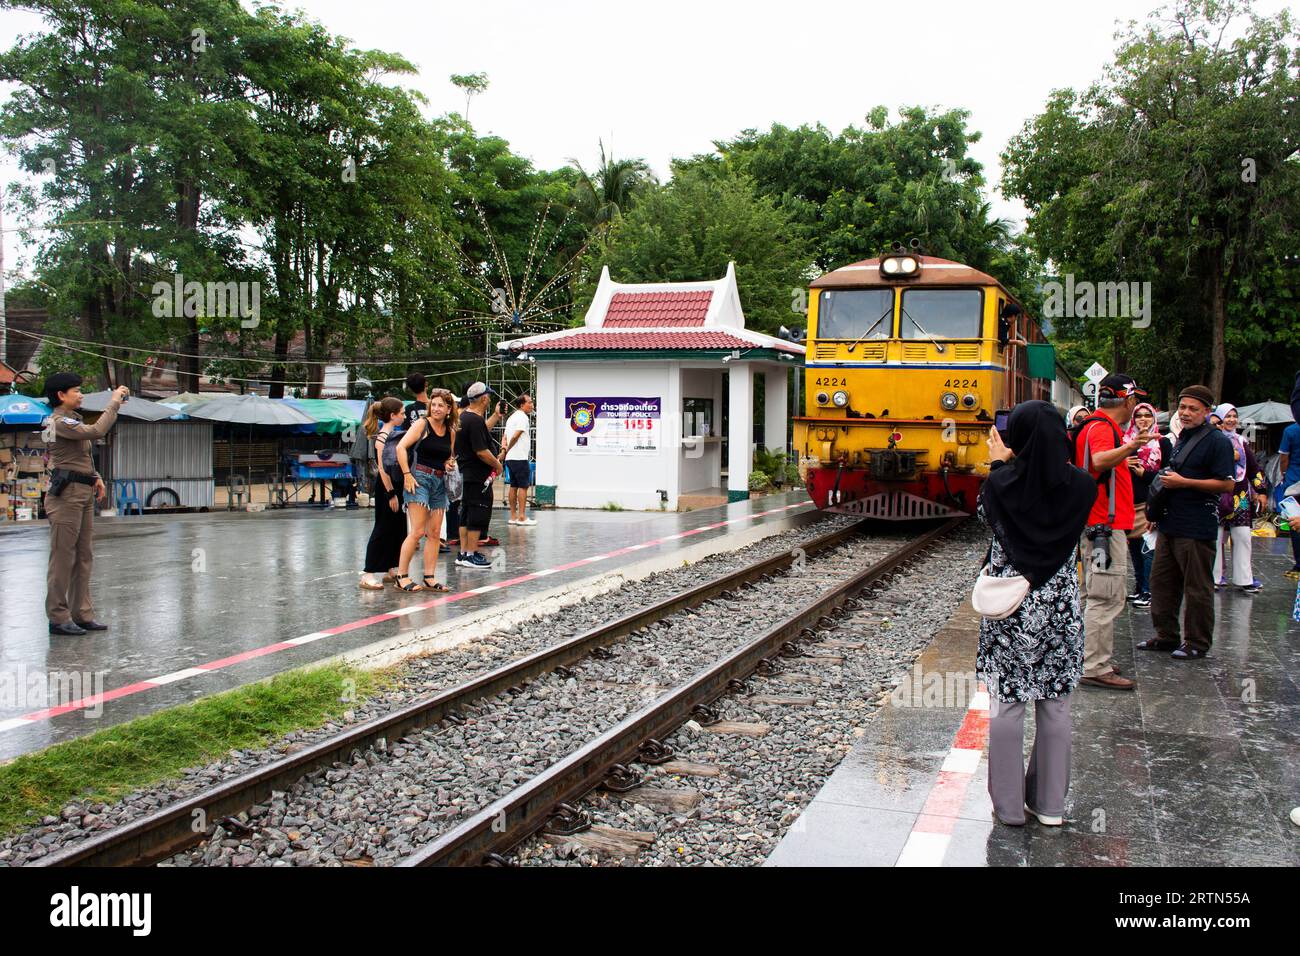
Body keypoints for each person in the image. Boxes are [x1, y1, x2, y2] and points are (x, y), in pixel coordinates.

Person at [979, 401, 1097, 826]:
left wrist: (1000, 465)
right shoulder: (1084, 486)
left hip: (1011, 608)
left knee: (1007, 706)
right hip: (1061, 610)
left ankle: (1009, 809)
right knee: (1056, 707)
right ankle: (1050, 807)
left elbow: (991, 519)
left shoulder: (1000, 484)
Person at [1138, 385, 1235, 660]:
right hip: (1170, 522)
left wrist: (1185, 483)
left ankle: (1197, 641)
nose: (1186, 412)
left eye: (1193, 408)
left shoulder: (1218, 441)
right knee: (1161, 583)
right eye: (1183, 407)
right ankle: (1166, 635)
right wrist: (1157, 516)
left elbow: (1227, 484)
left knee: (1197, 587)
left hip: (1196, 525)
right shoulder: (1182, 437)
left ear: (1207, 411)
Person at [1072, 373, 1149, 690]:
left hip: (1099, 523)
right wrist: (1131, 446)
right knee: (1106, 597)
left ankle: (1090, 656)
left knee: (1096, 594)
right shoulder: (1102, 428)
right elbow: (1100, 459)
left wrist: (1124, 456)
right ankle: (1094, 666)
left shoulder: (1095, 425)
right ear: (1128, 400)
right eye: (1135, 400)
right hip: (1103, 526)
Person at [41, 373, 130, 636]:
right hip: (65, 496)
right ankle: (58, 617)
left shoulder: (73, 420)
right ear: (61, 395)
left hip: (82, 491)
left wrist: (97, 477)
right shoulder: (57, 421)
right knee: (62, 557)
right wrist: (113, 403)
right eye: (77, 391)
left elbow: (78, 457)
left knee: (83, 555)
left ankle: (81, 613)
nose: (81, 395)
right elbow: (97, 431)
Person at [394, 389, 457, 592]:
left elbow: (449, 456)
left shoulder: (451, 431)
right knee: (418, 531)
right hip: (418, 478)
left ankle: (429, 577)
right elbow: (400, 448)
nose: (436, 408)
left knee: (435, 533)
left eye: (441, 405)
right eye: (434, 404)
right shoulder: (423, 424)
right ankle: (401, 576)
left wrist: (449, 464)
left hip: (439, 481)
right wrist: (406, 474)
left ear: (449, 409)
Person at [1212, 404, 1268, 595]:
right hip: (1216, 493)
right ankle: (1214, 578)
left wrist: (1261, 490)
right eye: (1227, 416)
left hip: (1240, 496)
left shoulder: (1241, 441)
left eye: (1234, 416)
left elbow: (1253, 468)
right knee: (1215, 536)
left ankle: (1244, 579)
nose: (1231, 420)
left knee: (1243, 536)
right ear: (1218, 418)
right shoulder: (1211, 441)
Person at [1124, 402, 1172, 609]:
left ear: (1154, 418)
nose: (1143, 419)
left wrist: (1146, 474)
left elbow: (1167, 474)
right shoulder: (1125, 442)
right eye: (1139, 416)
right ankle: (1139, 587)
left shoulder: (1163, 443)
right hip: (1128, 502)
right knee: (1134, 547)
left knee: (1148, 549)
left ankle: (1148, 590)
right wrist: (1123, 464)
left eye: (1147, 415)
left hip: (1150, 503)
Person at [455, 382, 506, 570]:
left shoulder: (465, 418)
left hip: (467, 473)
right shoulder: (474, 420)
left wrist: (495, 415)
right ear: (484, 398)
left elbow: (479, 434)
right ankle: (469, 554)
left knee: (466, 511)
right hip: (478, 475)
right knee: (477, 512)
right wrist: (497, 464)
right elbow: (481, 451)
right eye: (488, 396)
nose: (490, 399)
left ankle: (464, 553)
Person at [359, 397, 406, 590]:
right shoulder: (383, 438)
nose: (404, 416)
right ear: (392, 416)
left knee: (398, 528)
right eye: (402, 413)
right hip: (387, 486)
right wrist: (391, 494)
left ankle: (390, 567)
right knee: (383, 527)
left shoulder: (394, 434)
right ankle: (368, 572)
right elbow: (383, 469)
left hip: (396, 484)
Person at [501, 393, 536, 526]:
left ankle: (513, 516)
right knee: (523, 486)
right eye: (530, 402)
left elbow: (504, 436)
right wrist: (508, 448)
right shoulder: (522, 417)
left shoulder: (511, 418)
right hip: (519, 457)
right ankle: (522, 517)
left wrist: (504, 450)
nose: (532, 405)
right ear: (522, 405)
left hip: (510, 458)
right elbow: (515, 436)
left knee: (513, 485)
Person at [1279, 415, 1300, 579]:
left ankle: (1299, 564)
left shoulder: (1291, 430)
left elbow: (1284, 457)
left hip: (1294, 482)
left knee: (1295, 524)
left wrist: (1284, 474)